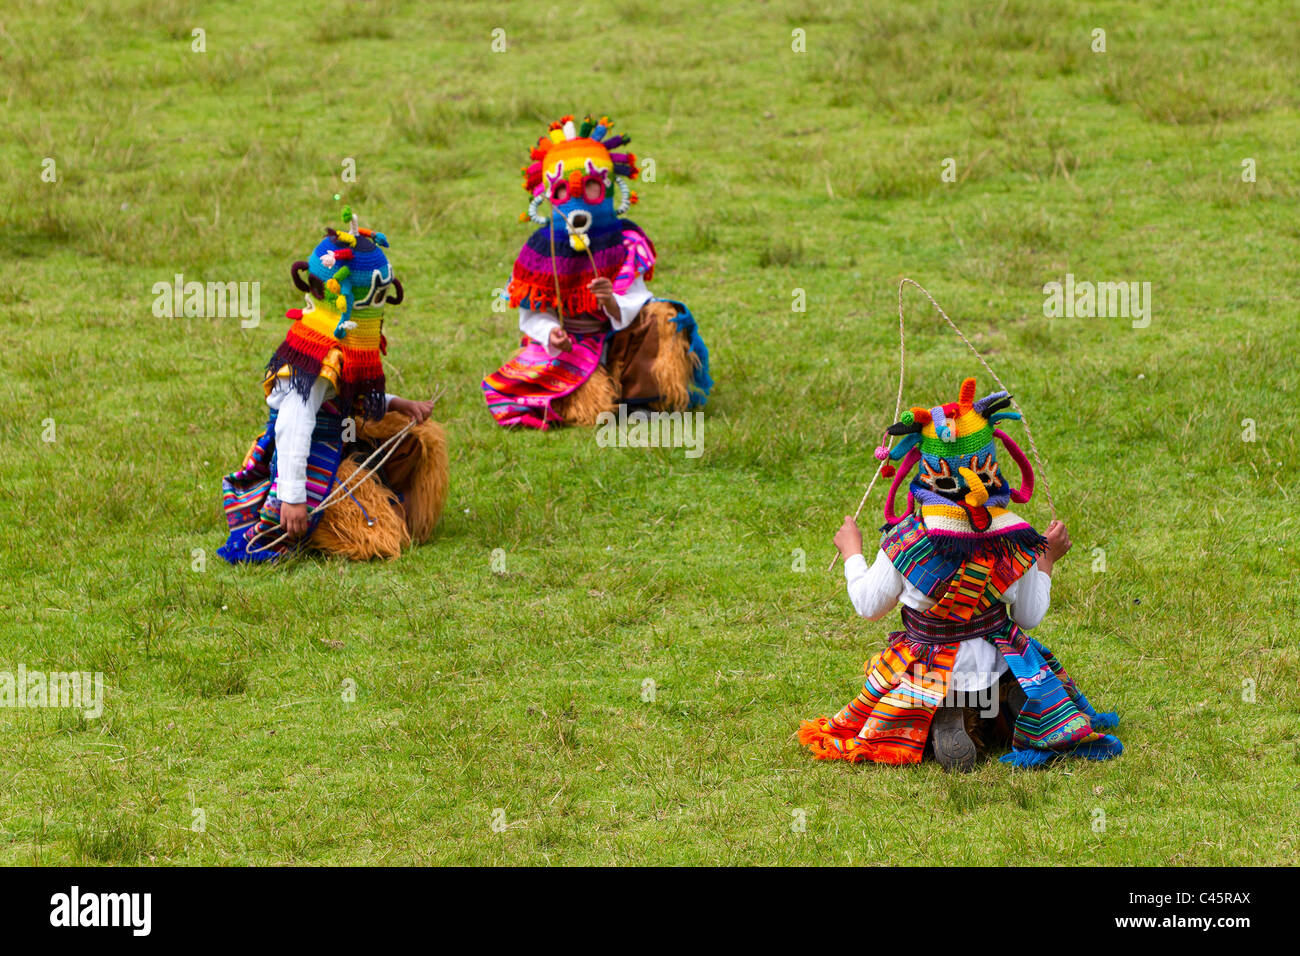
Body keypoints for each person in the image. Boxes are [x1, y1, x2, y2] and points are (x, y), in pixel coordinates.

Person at [799, 377, 1121, 769]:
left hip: (932, 668)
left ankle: (945, 714)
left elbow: (869, 606)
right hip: (996, 659)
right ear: (990, 463)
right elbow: (1028, 617)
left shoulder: (905, 542)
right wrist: (1047, 560)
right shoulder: (1013, 540)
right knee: (1020, 656)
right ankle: (1018, 706)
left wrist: (853, 552)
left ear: (926, 470)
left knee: (915, 675)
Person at [219, 211, 448, 563]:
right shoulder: (313, 360)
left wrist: (398, 403)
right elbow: (293, 426)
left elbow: (346, 397)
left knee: (415, 441)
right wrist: (292, 498)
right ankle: (349, 518)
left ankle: (389, 500)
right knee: (374, 536)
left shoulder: (339, 348)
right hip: (309, 457)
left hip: (339, 439)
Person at [482, 115, 710, 429]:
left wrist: (611, 302)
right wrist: (551, 332)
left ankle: (641, 397)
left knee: (663, 315)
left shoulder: (625, 242)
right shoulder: (539, 252)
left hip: (616, 338)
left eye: (590, 186)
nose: (577, 200)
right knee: (590, 404)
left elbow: (638, 298)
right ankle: (584, 396)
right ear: (548, 196)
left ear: (606, 188)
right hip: (567, 348)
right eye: (562, 191)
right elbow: (531, 314)